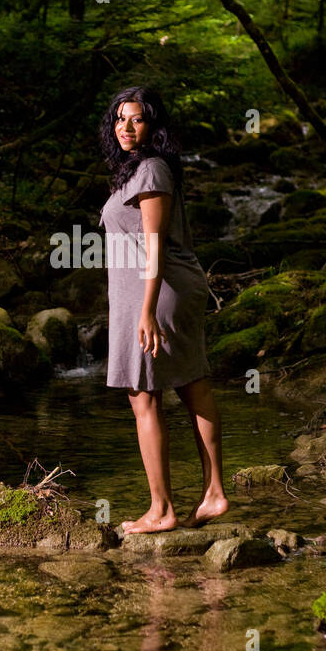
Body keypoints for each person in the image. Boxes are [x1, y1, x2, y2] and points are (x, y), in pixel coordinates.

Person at [96, 86, 228, 535]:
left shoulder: (151, 169)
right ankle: (213, 494)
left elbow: (152, 244)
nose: (125, 127)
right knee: (192, 385)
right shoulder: (136, 170)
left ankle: (162, 510)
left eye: (136, 119)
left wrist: (147, 310)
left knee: (143, 394)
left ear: (153, 125)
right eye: (119, 118)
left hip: (158, 288)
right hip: (159, 287)